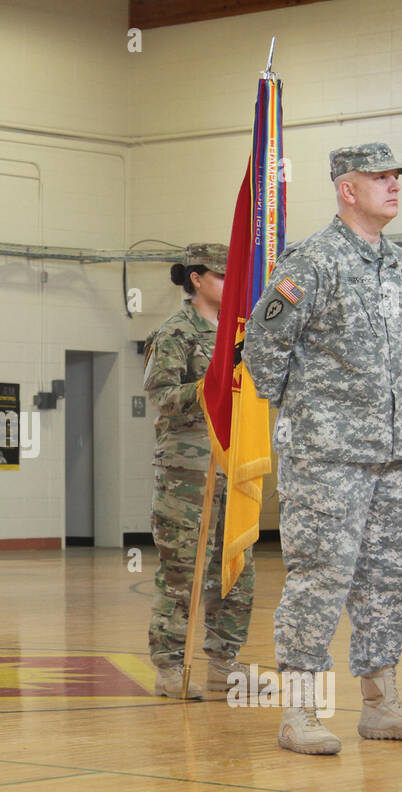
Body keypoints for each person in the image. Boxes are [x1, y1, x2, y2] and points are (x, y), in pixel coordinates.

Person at [245, 142, 402, 755]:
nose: (394, 186)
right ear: (347, 188)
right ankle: (299, 714)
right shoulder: (310, 262)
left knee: (390, 581)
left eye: (397, 177)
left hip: (390, 456)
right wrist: (308, 418)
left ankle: (382, 704)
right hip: (325, 458)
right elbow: (262, 348)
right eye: (380, 177)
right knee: (319, 579)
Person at [143, 243, 254, 699]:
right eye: (223, 277)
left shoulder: (239, 333)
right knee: (183, 570)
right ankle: (170, 665)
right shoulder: (176, 332)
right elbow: (161, 395)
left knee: (235, 569)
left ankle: (224, 661)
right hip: (188, 472)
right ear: (196, 278)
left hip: (234, 464)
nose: (231, 286)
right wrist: (207, 388)